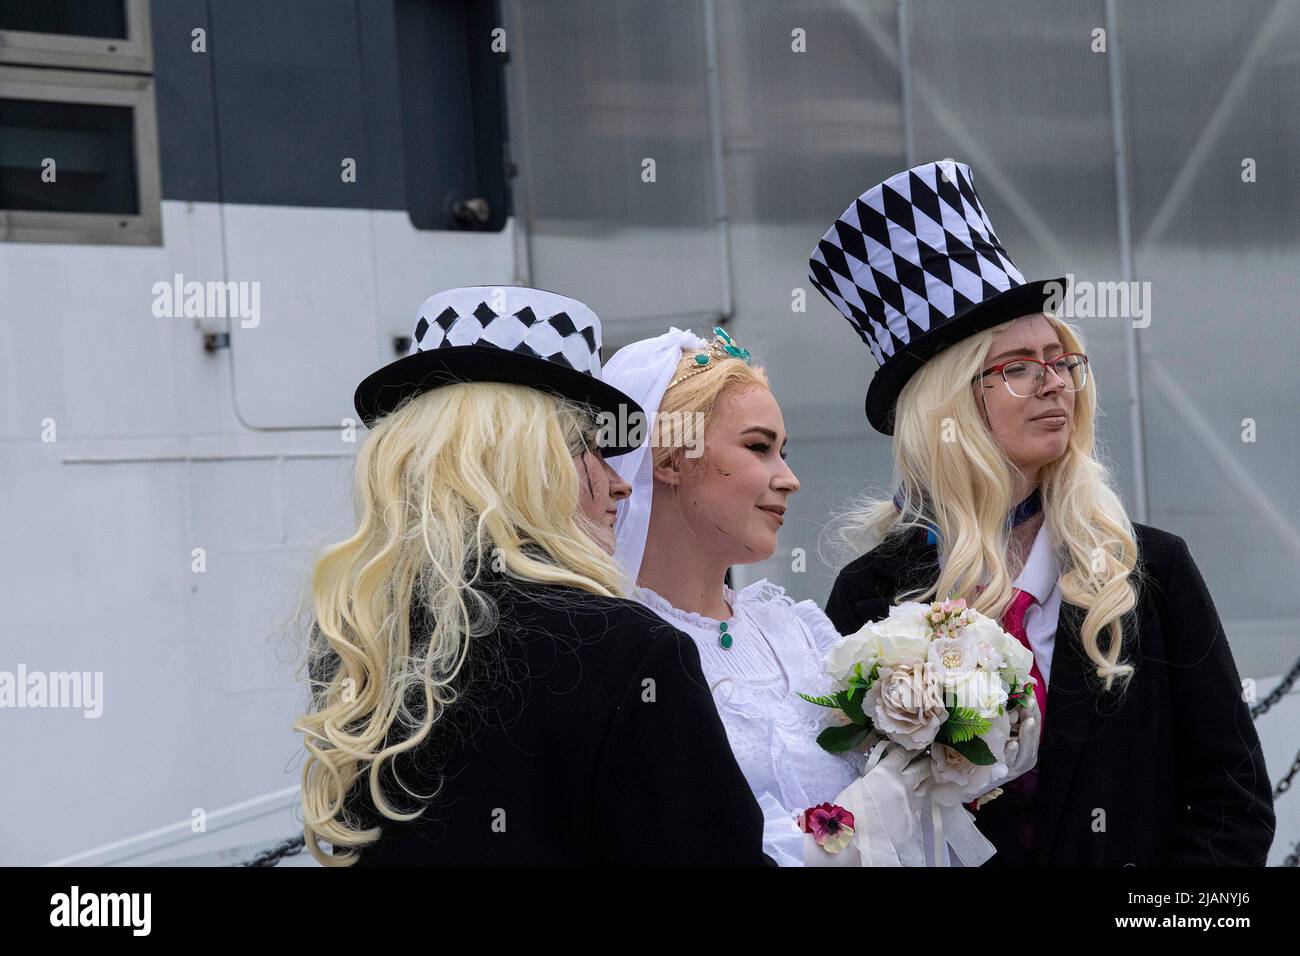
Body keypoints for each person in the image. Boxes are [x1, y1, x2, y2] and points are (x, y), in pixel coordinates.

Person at [809, 159, 1275, 865]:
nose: (1055, 384)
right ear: (951, 401)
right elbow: (844, 818)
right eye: (1019, 367)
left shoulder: (1149, 570)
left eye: (1061, 361)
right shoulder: (872, 593)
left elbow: (1233, 800)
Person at [294, 286, 769, 866]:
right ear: (528, 462)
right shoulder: (624, 649)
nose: (618, 481)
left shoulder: (361, 637)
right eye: (592, 448)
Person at [603, 327, 869, 866]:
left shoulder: (795, 631)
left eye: (783, 452)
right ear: (671, 460)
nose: (789, 478)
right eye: (758, 448)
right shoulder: (616, 651)